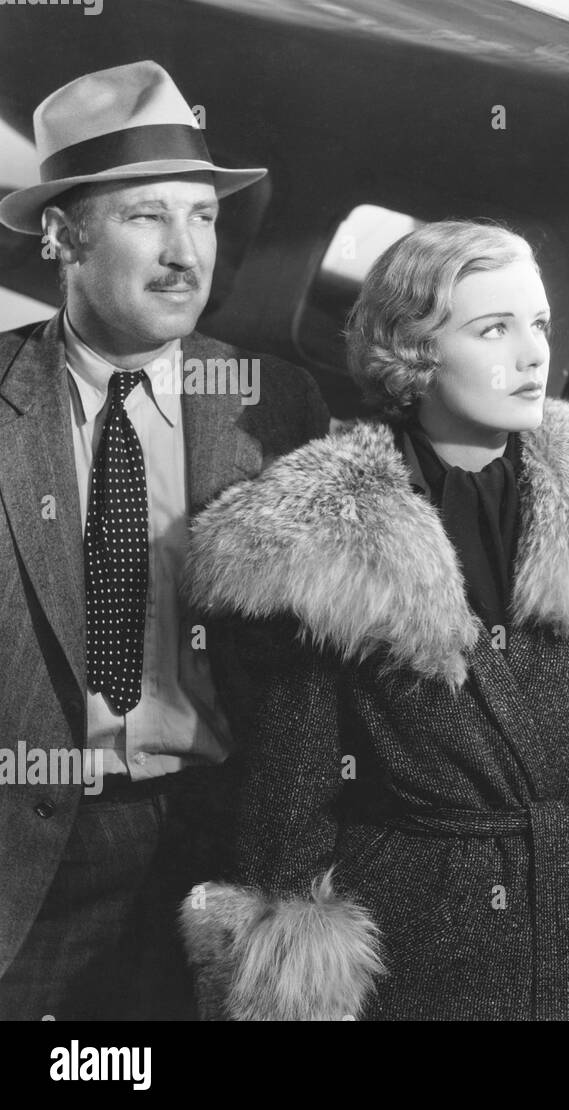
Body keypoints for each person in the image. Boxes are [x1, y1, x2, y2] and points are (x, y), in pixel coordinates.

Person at [178, 220, 569, 1020]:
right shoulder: (326, 541)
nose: (532, 355)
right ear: (414, 355)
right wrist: (301, 979)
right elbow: (290, 799)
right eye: (494, 329)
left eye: (540, 326)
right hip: (410, 938)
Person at [0, 61, 329, 1019]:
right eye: (149, 216)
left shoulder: (272, 404)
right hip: (27, 862)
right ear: (63, 234)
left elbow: (320, 673)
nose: (187, 254)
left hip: (215, 847)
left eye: (205, 217)